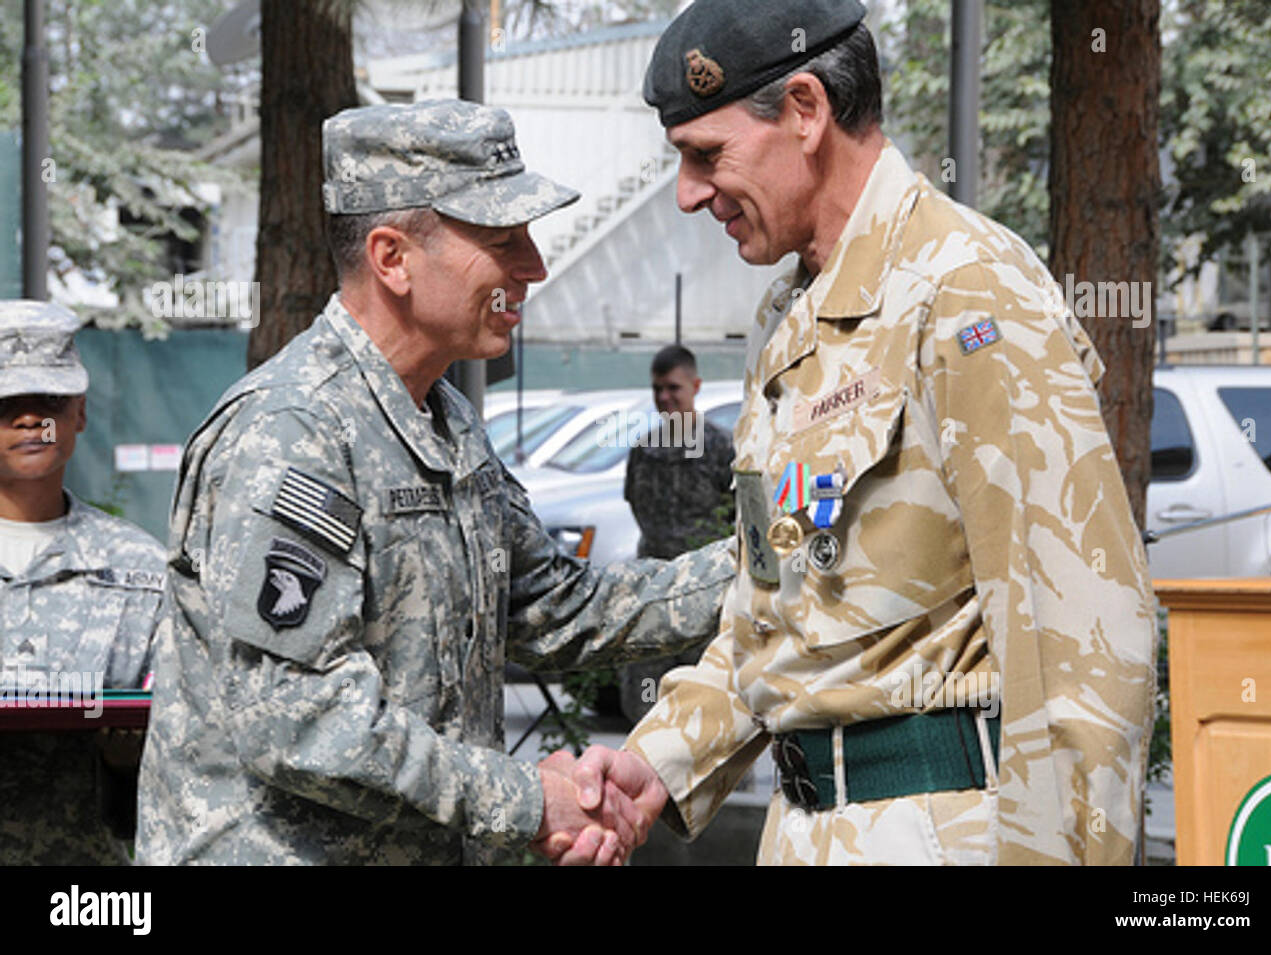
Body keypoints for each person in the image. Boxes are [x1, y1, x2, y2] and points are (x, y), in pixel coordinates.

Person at [553, 0, 1157, 866]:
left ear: (805, 110)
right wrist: (663, 760)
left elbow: (1084, 647)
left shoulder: (967, 289)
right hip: (807, 831)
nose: (687, 195)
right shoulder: (790, 314)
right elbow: (778, 612)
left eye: (705, 155)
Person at [134, 99, 734, 866]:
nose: (534, 265)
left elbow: (553, 607)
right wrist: (524, 799)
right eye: (501, 239)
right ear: (392, 257)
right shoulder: (291, 431)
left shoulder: (445, 420)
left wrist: (757, 569)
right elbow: (304, 720)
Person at [0, 299, 165, 864]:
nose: (29, 421)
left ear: (79, 414)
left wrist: (125, 760)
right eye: (7, 405)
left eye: (49, 402)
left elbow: (188, 779)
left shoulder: (142, 573)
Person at [620, 344, 733, 723]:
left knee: (711, 709)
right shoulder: (644, 449)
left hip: (708, 596)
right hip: (653, 592)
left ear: (695, 386)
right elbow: (636, 503)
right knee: (647, 709)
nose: (664, 398)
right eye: (657, 389)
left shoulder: (721, 448)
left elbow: (738, 515)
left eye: (673, 388)